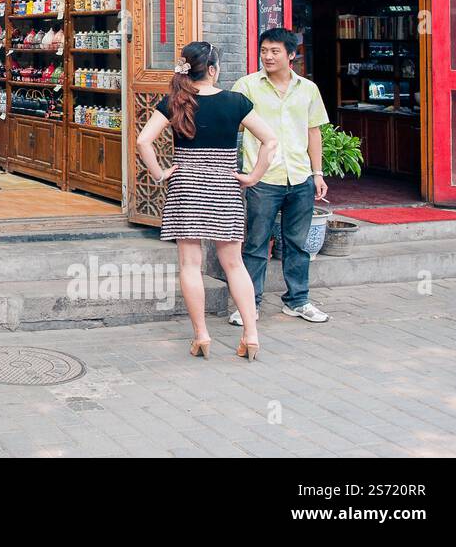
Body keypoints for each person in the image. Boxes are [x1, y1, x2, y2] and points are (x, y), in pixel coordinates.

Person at [137, 42, 278, 361]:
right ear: (213, 70)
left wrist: (160, 173)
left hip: (186, 184)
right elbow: (270, 141)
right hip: (224, 184)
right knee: (234, 263)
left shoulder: (174, 102)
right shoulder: (237, 102)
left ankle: (201, 335)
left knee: (190, 264)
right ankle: (251, 336)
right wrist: (253, 176)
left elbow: (143, 141)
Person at [229, 27, 332, 326]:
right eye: (264, 50)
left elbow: (314, 132)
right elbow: (231, 125)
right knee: (256, 243)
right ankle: (250, 304)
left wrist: (318, 173)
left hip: (299, 176)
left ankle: (298, 301)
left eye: (275, 51)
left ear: (291, 55)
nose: (268, 56)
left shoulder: (308, 89)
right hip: (263, 179)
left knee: (298, 244)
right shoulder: (247, 85)